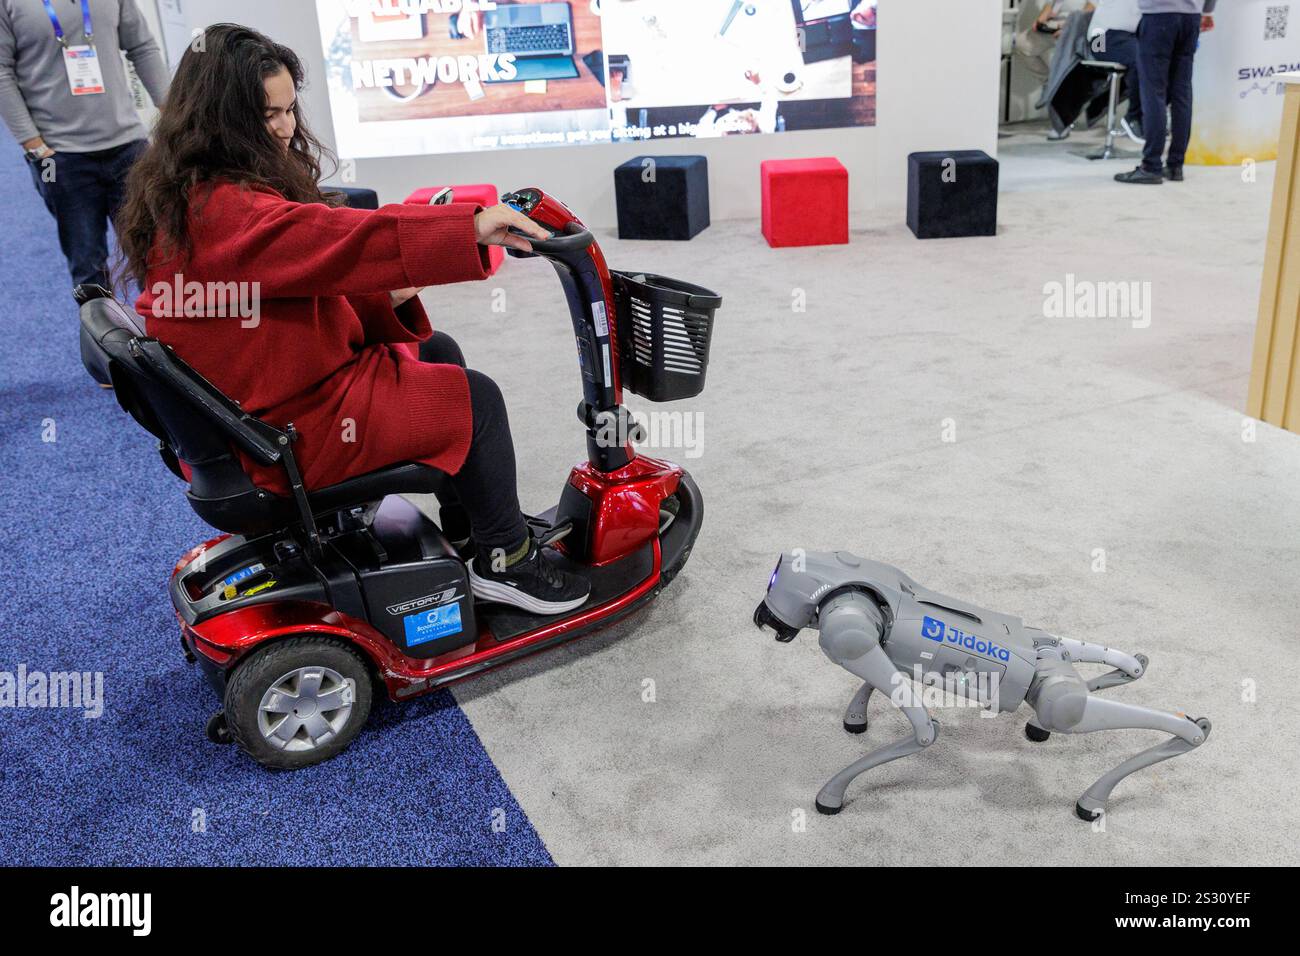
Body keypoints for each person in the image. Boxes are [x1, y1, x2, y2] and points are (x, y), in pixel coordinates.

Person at [113, 23, 592, 615]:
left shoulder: (191, 192)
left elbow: (298, 280)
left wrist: (402, 280)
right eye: (266, 116)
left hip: (259, 402)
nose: (286, 128)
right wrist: (468, 227)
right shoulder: (229, 213)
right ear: (219, 119)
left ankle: (474, 531)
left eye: (289, 109)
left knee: (437, 349)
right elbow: (338, 240)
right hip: (281, 434)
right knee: (478, 401)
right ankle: (507, 562)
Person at [0, 0, 169, 290]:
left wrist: (172, 113)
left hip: (128, 146)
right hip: (60, 157)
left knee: (154, 258)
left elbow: (142, 46)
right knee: (88, 269)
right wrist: (34, 145)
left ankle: (165, 333)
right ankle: (104, 335)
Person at [1115, 0, 1216, 184]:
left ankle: (1151, 166)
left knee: (1153, 91)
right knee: (1182, 92)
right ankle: (1175, 165)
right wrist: (1207, 10)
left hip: (1158, 16)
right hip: (1190, 17)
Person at [1087, 0, 1143, 143]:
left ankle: (1151, 118)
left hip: (1128, 37)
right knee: (1141, 58)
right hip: (1099, 38)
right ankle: (1134, 117)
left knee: (1156, 58)